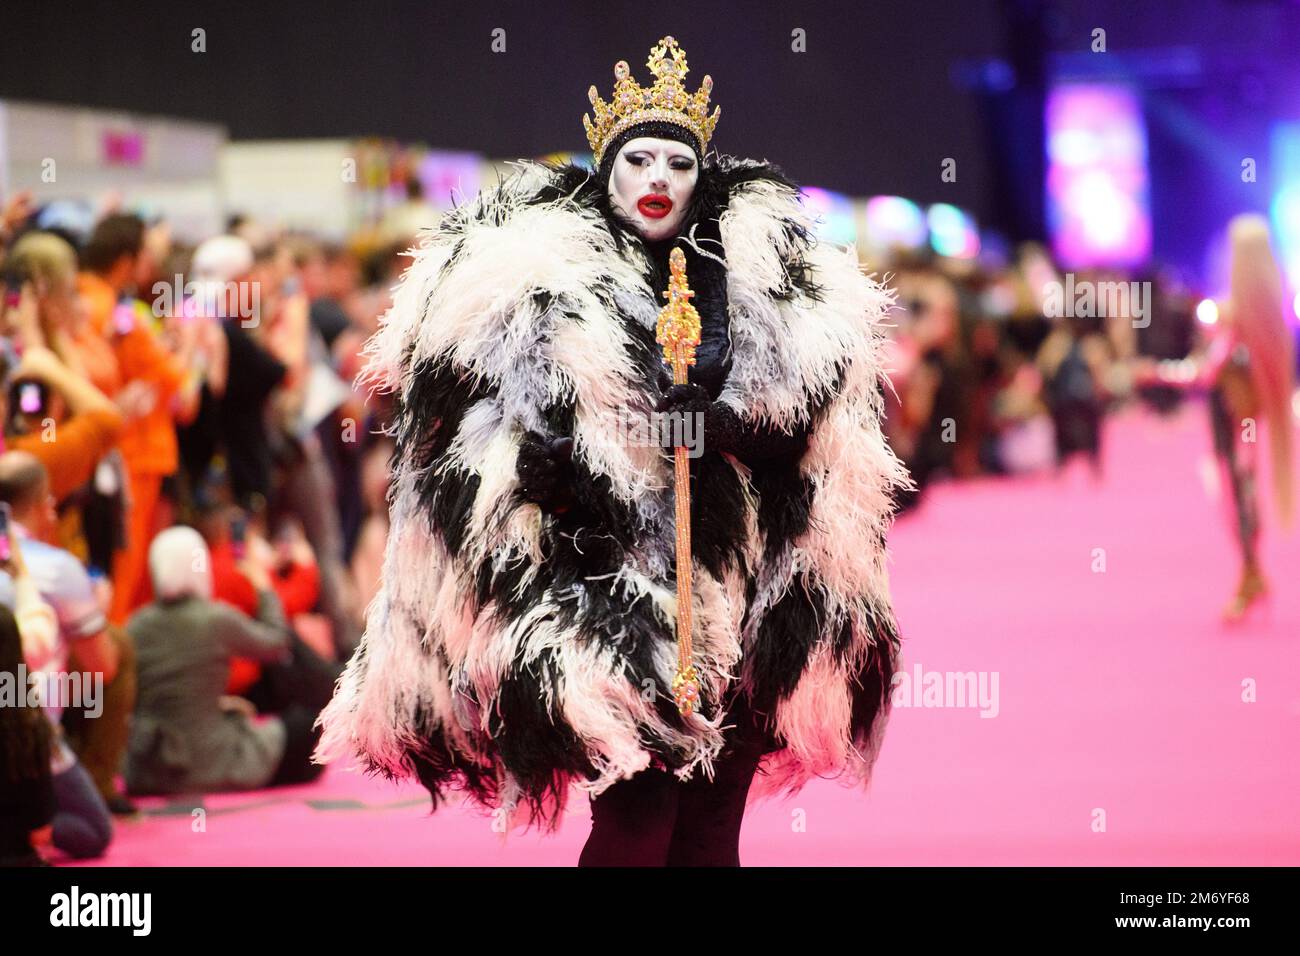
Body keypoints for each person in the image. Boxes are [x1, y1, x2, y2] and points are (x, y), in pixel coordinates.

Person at [317, 37, 909, 866]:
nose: (659, 178)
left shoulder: (773, 287)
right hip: (606, 600)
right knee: (639, 818)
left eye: (677, 161)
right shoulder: (525, 287)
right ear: (609, 169)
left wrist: (728, 427)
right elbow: (478, 448)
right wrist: (576, 478)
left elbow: (817, 431)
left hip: (744, 601)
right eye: (639, 159)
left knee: (710, 828)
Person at [125, 526, 325, 795]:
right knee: (307, 726)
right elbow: (277, 643)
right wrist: (264, 588)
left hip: (149, 767)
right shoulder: (215, 619)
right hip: (214, 762)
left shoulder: (136, 626)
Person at [1205, 215, 1295, 620]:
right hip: (1232, 415)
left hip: (1244, 418)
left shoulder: (1264, 309)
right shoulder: (1234, 309)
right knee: (1234, 492)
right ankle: (1251, 569)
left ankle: (1251, 571)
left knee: (1241, 491)